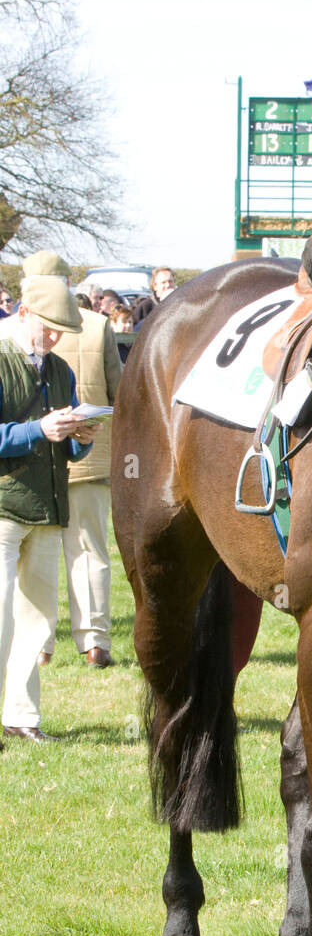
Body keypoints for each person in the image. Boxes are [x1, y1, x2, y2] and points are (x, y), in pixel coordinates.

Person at [0, 262, 99, 742]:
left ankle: (22, 716)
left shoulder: (60, 369)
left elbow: (72, 447)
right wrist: (38, 430)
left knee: (37, 620)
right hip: (3, 508)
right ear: (23, 313)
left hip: (47, 506)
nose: (56, 340)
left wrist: (82, 437)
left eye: (63, 332)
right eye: (50, 329)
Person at [29, 253, 122, 670]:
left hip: (31, 459)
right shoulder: (99, 325)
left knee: (36, 555)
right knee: (89, 551)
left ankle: (40, 644)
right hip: (88, 452)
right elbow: (119, 389)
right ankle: (94, 641)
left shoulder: (9, 329)